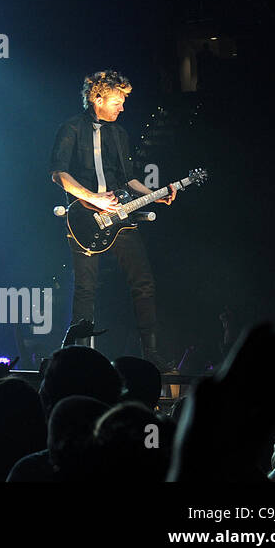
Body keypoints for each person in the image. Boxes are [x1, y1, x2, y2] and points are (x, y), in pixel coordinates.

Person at [49, 70, 177, 370]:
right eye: (118, 100)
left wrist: (155, 194)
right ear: (98, 98)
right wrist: (93, 198)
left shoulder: (120, 134)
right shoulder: (70, 128)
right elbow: (58, 173)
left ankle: (152, 354)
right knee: (85, 289)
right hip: (84, 219)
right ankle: (76, 360)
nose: (122, 107)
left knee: (143, 282)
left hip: (122, 218)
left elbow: (130, 179)